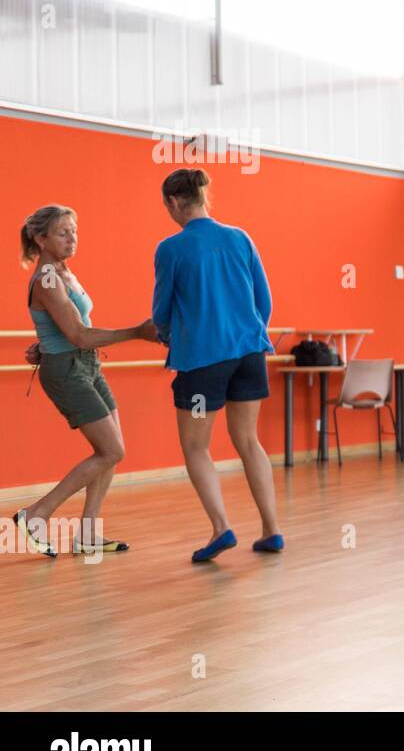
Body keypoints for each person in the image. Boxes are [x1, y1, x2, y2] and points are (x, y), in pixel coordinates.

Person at [152, 169, 283, 562]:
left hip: (201, 363)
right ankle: (272, 530)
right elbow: (265, 302)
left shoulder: (170, 248)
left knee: (195, 446)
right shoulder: (239, 237)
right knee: (248, 441)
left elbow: (161, 313)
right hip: (249, 355)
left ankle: (220, 528)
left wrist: (167, 333)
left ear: (174, 202)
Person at [13, 205, 154, 558]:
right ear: (40, 238)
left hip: (87, 364)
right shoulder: (46, 277)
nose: (72, 238)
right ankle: (35, 514)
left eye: (74, 231)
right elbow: (78, 333)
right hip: (67, 369)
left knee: (111, 452)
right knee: (113, 450)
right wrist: (138, 331)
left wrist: (44, 344)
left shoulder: (64, 270)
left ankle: (88, 534)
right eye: (63, 233)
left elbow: (64, 327)